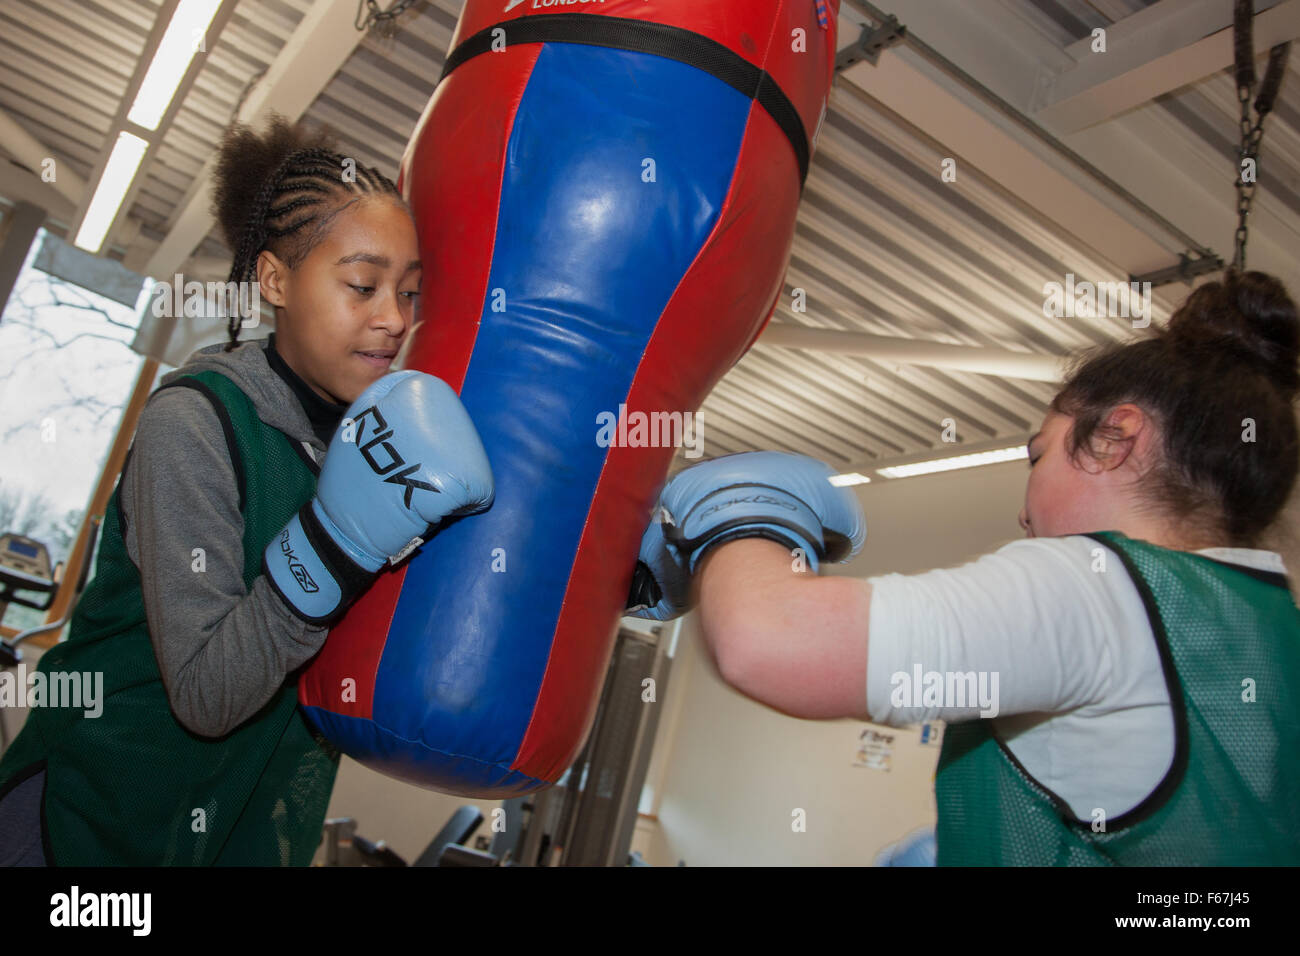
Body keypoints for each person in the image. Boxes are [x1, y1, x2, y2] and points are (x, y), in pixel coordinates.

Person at [631, 268, 1300, 865]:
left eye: (1039, 456)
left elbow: (768, 641)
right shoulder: (1273, 631)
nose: (1024, 508)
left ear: (1115, 440)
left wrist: (741, 516)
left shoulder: (1095, 587)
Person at [0, 115, 494, 865]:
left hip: (234, 834)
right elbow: (206, 695)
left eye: (409, 292)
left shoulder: (372, 444)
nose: (394, 318)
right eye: (363, 285)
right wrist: (338, 542)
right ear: (273, 280)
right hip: (89, 825)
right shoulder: (196, 421)